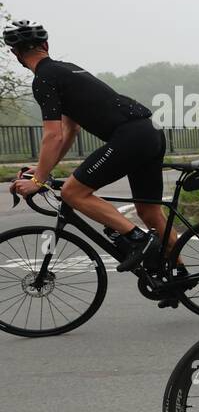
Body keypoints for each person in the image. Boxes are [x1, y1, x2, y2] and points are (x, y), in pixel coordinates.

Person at [4, 20, 167, 270]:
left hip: (130, 136)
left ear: (16, 54)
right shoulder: (66, 69)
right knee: (149, 213)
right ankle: (177, 273)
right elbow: (70, 131)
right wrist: (40, 170)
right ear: (46, 45)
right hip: (149, 131)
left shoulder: (44, 79)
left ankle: (137, 239)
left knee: (72, 192)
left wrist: (37, 180)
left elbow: (53, 136)